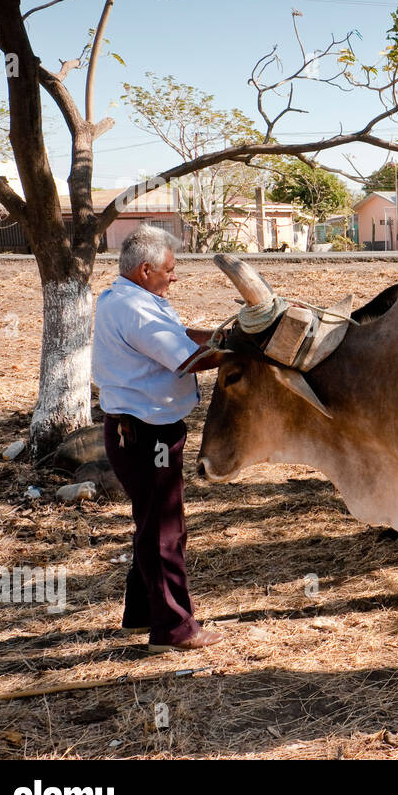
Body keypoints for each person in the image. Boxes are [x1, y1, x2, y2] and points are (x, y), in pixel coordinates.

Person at [91, 225, 223, 654]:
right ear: (145, 269)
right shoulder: (137, 310)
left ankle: (142, 615)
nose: (174, 276)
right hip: (147, 434)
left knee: (153, 522)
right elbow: (188, 357)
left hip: (139, 429)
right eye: (170, 269)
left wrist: (227, 336)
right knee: (164, 527)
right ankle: (173, 631)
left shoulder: (130, 299)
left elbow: (184, 339)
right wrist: (248, 349)